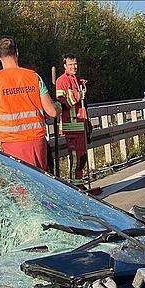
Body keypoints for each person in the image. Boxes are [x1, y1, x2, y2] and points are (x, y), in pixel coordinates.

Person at [0, 36, 58, 170]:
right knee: (39, 180)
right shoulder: (34, 77)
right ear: (17, 52)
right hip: (37, 143)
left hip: (11, 144)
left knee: (19, 182)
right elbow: (52, 111)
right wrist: (59, 106)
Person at [54, 53, 89, 188]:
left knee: (82, 157)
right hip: (71, 126)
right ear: (64, 66)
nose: (74, 67)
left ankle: (80, 182)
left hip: (81, 125)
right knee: (76, 158)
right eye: (70, 64)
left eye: (75, 64)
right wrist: (78, 96)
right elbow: (61, 104)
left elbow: (83, 106)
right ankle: (76, 185)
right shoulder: (61, 81)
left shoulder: (78, 81)